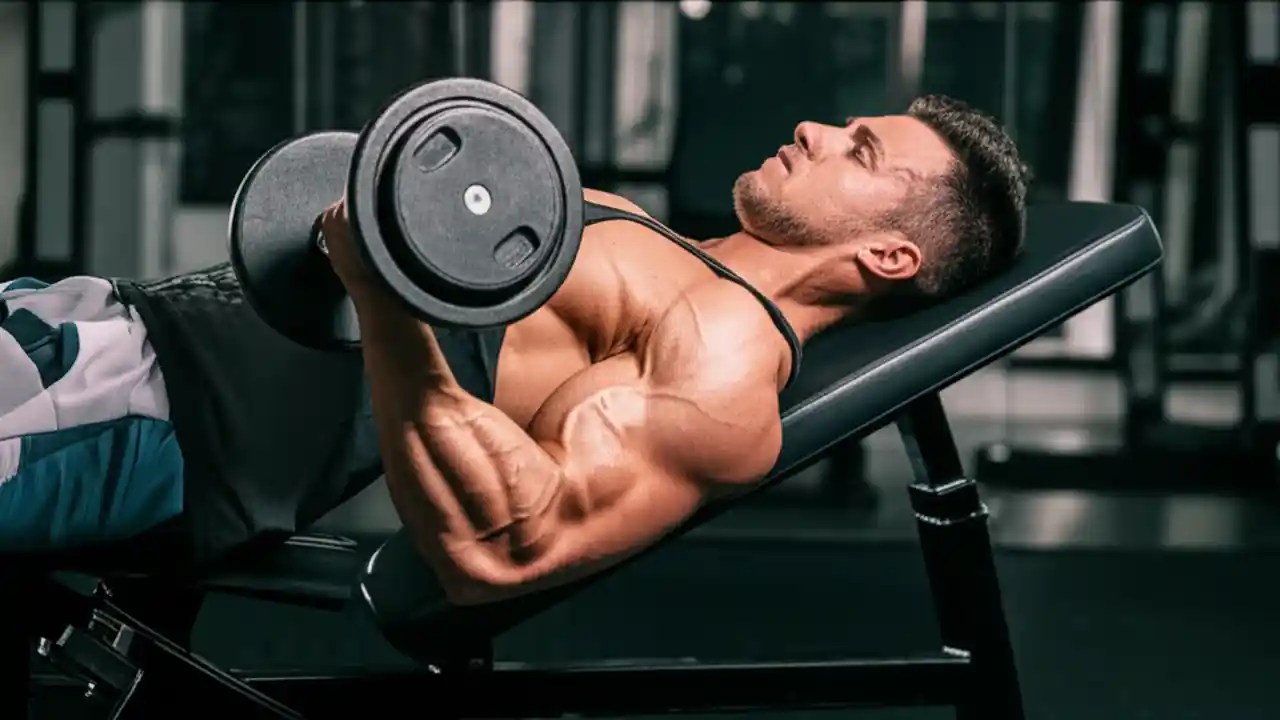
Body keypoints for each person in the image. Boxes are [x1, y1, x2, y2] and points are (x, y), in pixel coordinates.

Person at [0, 94, 1029, 602]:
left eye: (860, 151)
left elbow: (506, 546)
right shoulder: (653, 237)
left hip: (141, 419)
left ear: (891, 253)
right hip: (92, 322)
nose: (812, 127)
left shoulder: (722, 367)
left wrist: (382, 293)